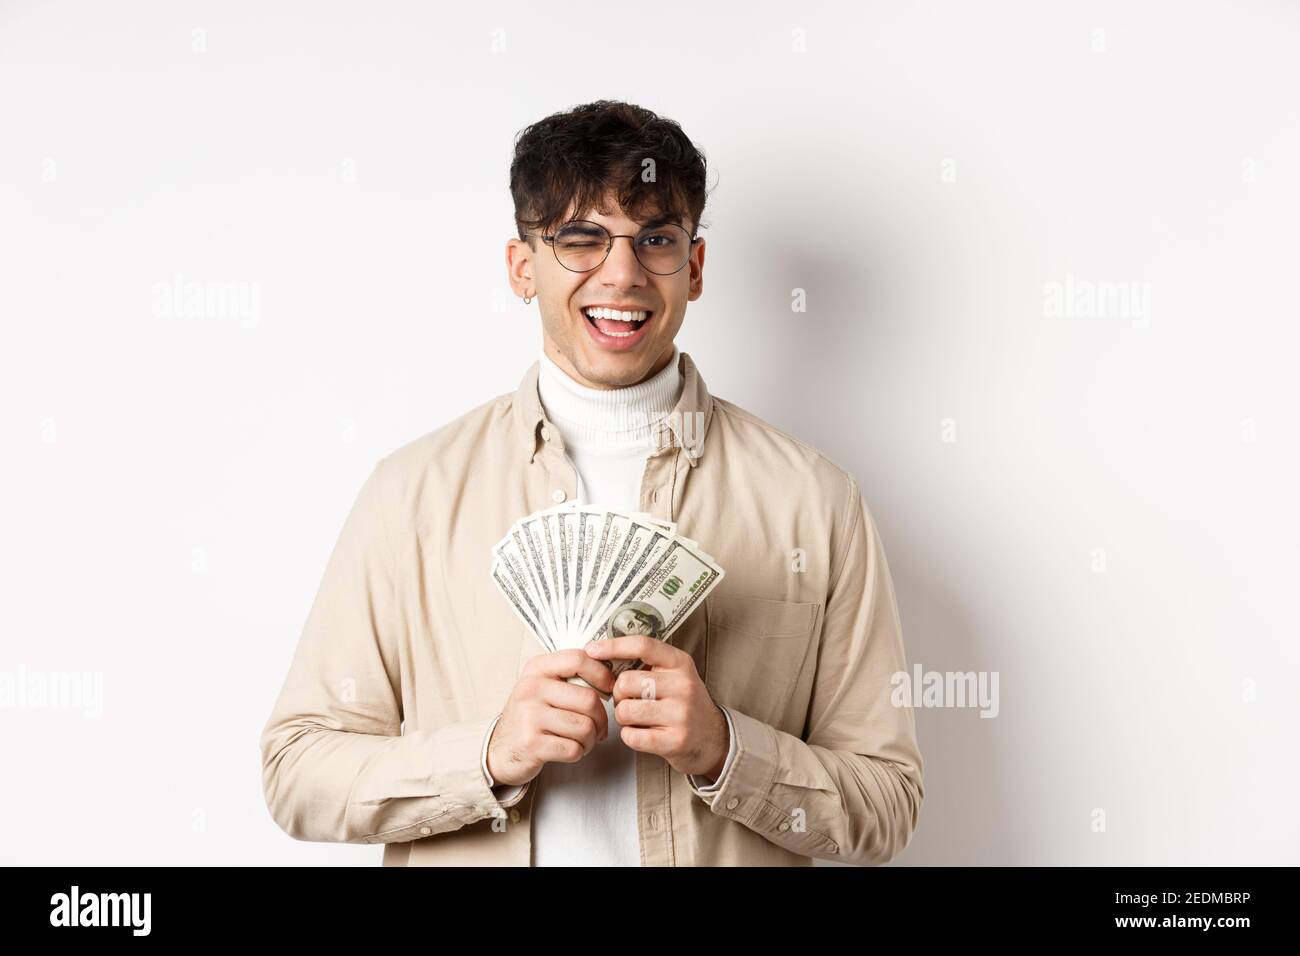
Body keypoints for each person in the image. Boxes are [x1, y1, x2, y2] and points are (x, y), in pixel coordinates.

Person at [260, 99, 923, 866]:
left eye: (656, 240)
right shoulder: (410, 495)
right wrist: (485, 757)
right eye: (581, 239)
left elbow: (887, 804)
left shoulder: (816, 500)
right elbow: (297, 772)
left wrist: (726, 750)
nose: (623, 273)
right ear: (520, 267)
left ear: (695, 267)